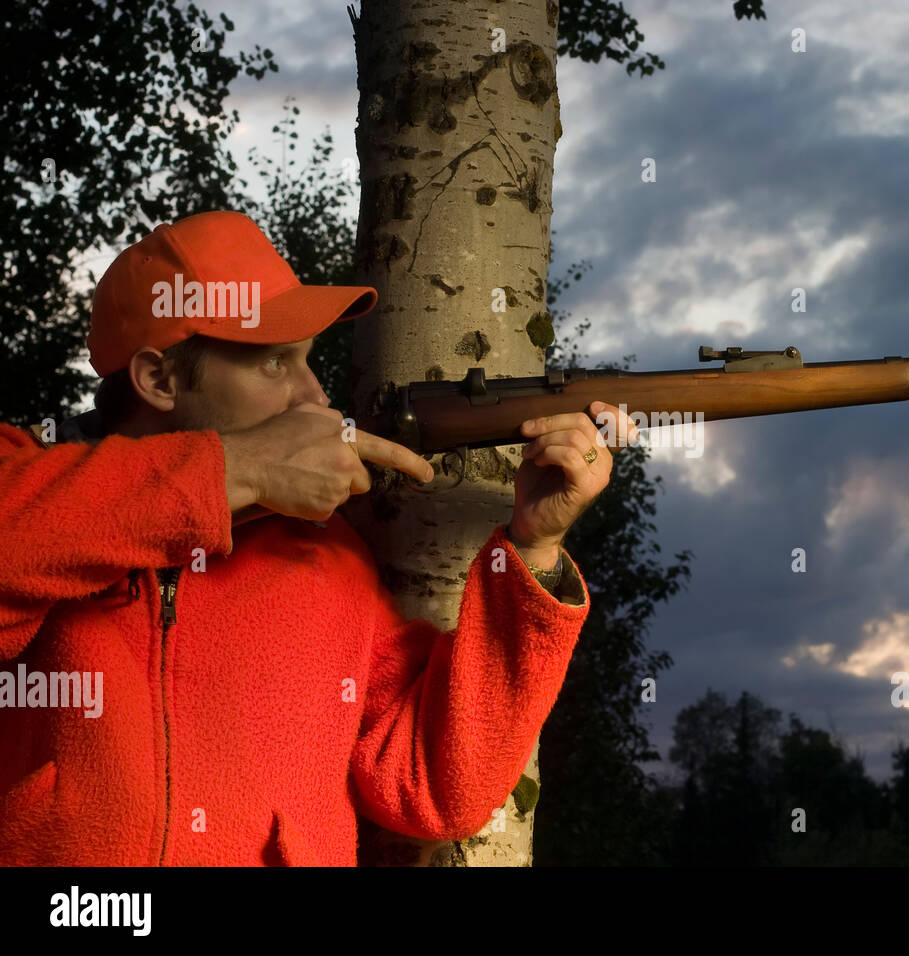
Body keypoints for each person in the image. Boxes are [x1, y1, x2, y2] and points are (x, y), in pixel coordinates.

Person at [0, 210, 638, 865]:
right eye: (275, 363)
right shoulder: (29, 484)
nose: (315, 397)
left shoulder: (325, 553)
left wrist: (533, 547)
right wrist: (241, 468)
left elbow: (435, 789)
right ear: (159, 379)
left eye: (309, 362)